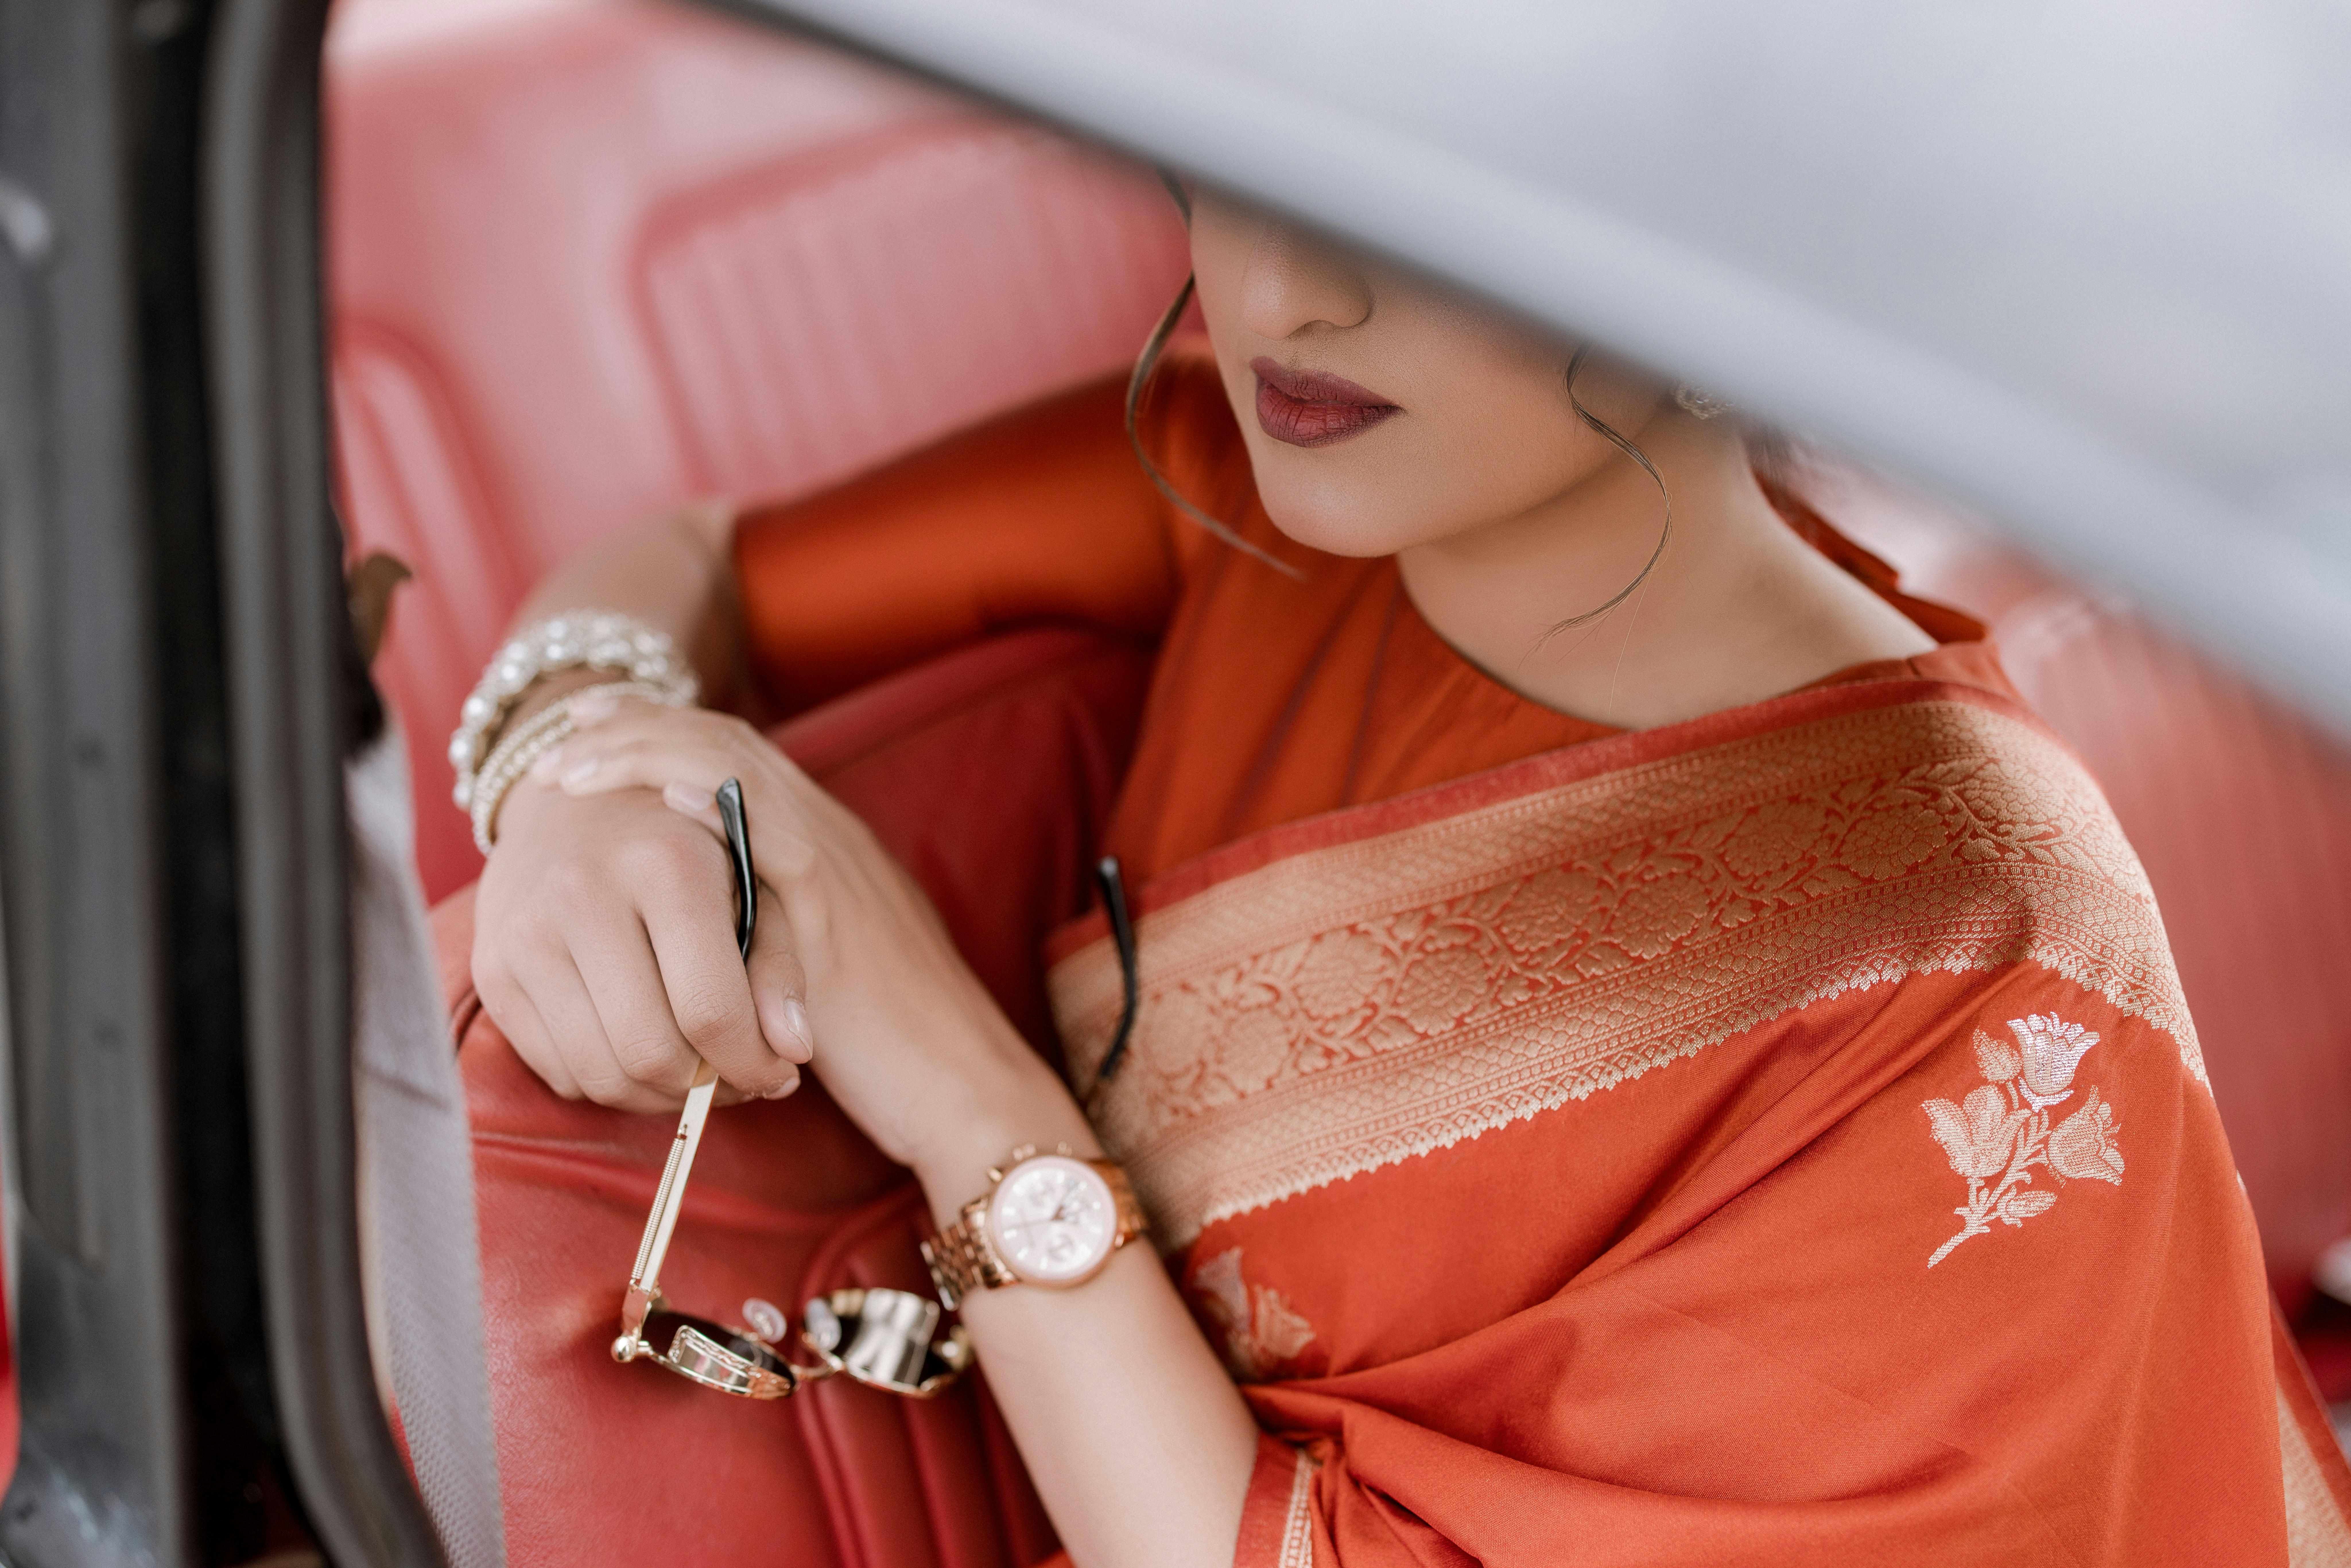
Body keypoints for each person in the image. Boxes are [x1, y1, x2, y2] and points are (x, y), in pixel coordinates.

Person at [451, 181, 2349, 1565]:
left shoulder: (1975, 967)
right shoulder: (1240, 501)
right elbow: (693, 562)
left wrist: (940, 1065)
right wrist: (576, 765)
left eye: (1417, 210)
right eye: (1230, 156)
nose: (1274, 288)